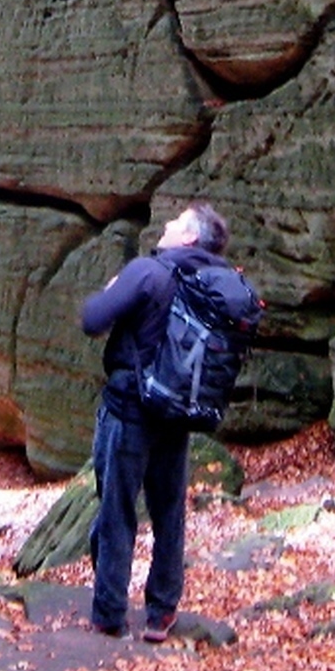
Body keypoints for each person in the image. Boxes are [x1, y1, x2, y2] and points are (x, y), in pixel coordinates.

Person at [79, 200, 231, 642]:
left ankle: (109, 613)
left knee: (117, 508)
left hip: (130, 407)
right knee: (169, 512)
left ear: (188, 238)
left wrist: (111, 292)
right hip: (179, 412)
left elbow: (92, 320)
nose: (165, 224)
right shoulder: (212, 286)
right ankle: (161, 612)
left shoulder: (149, 272)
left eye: (176, 222)